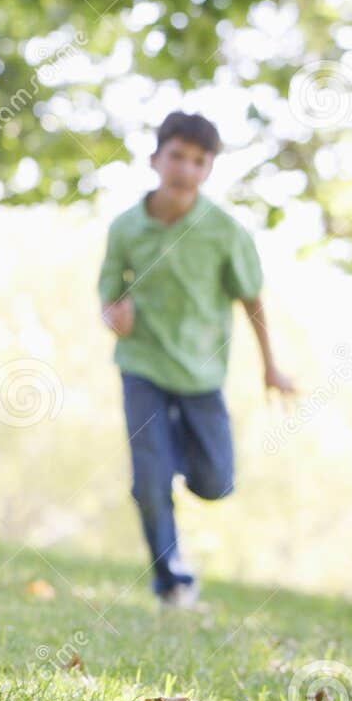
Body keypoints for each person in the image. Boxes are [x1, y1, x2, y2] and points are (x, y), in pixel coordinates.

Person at [98, 110, 293, 607]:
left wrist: (269, 365)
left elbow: (252, 299)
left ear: (209, 170)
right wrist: (113, 315)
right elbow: (108, 294)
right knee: (148, 480)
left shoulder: (224, 231)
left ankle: (174, 448)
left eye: (199, 161)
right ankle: (173, 583)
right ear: (155, 159)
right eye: (177, 157)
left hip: (202, 373)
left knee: (215, 483)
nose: (186, 169)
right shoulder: (126, 227)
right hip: (142, 365)